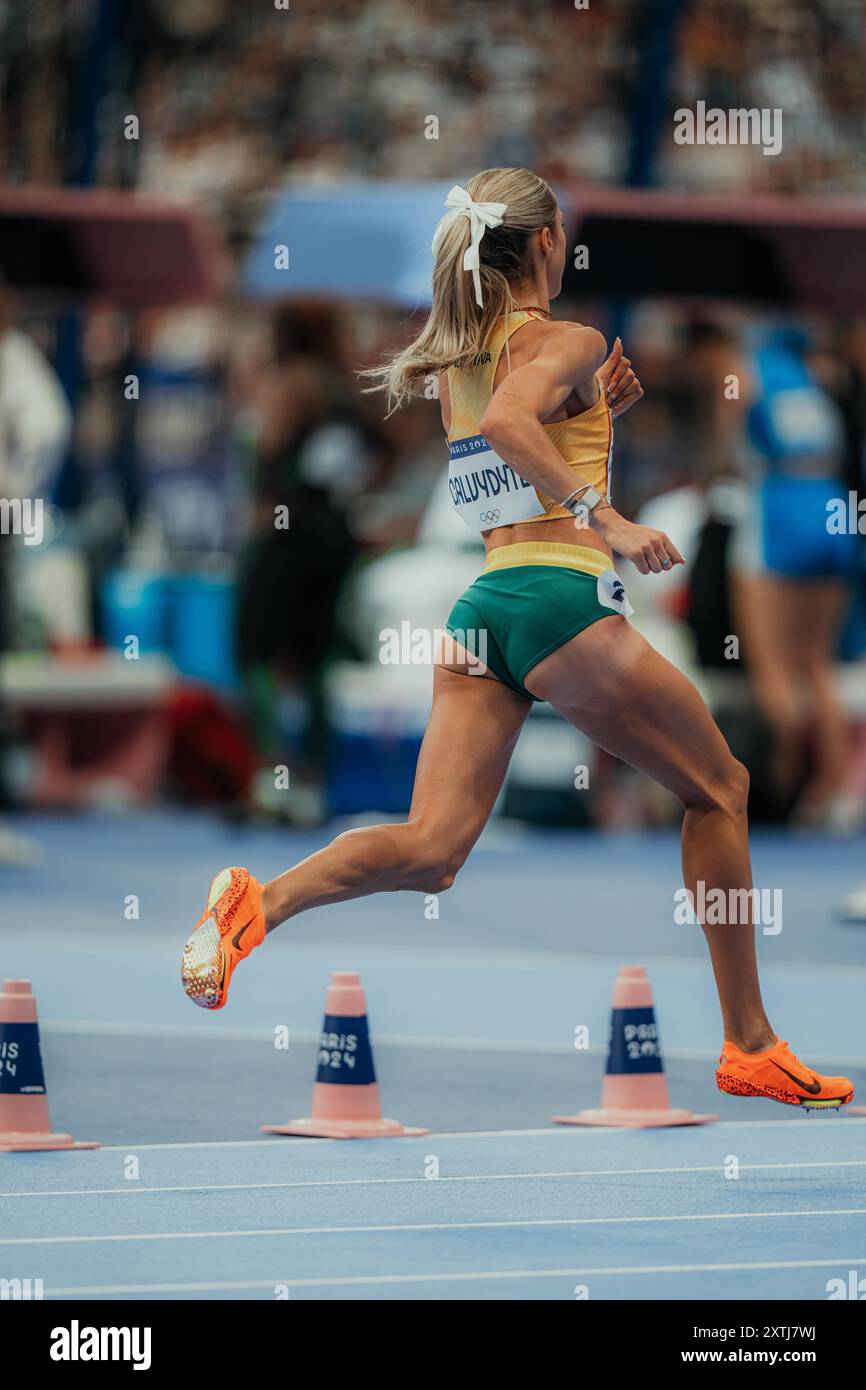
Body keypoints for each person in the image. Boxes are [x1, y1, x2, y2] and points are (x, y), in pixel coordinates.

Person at [181, 168, 853, 1111]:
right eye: (564, 230)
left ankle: (259, 901)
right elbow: (512, 426)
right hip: (561, 600)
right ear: (542, 245)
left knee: (432, 850)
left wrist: (591, 420)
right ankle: (749, 1042)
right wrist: (607, 516)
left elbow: (503, 435)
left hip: (485, 612)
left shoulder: (462, 354)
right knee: (723, 788)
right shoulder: (566, 337)